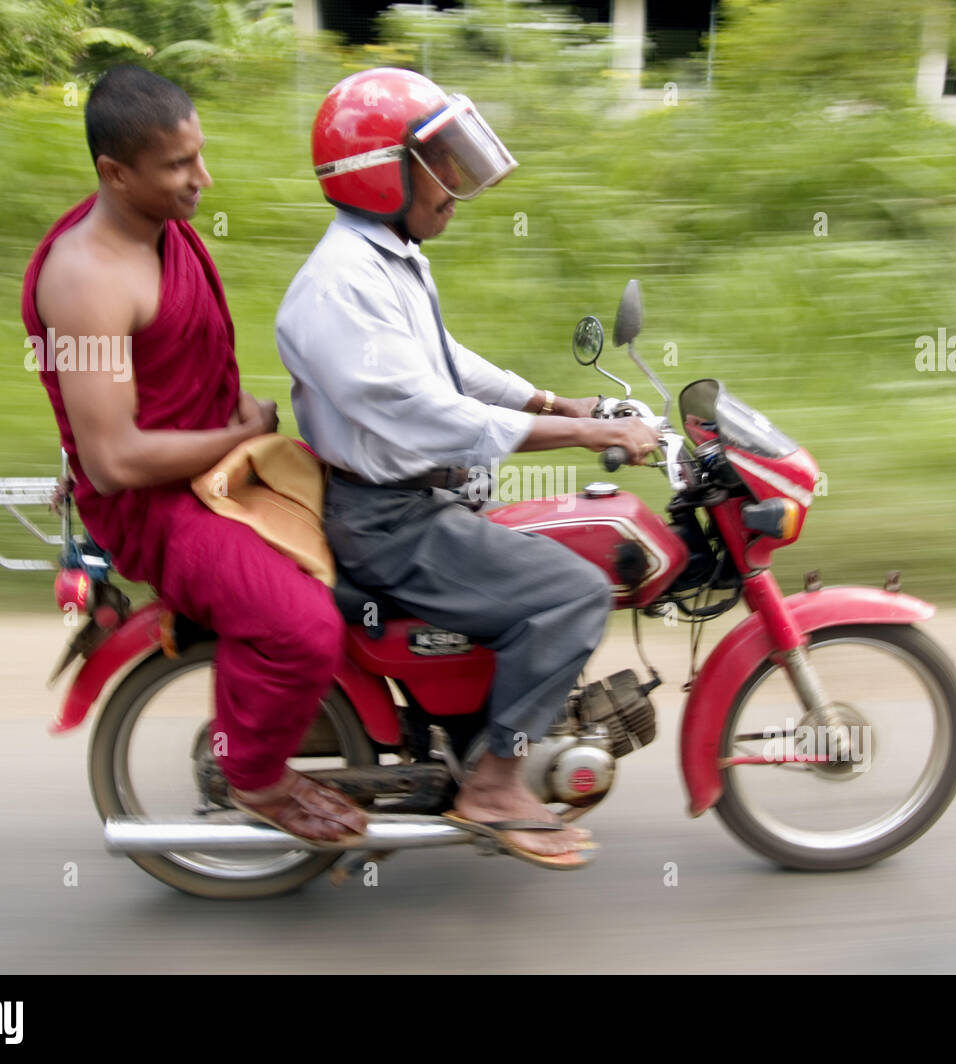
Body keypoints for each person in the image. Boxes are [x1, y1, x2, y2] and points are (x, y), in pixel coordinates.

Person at [276, 68, 658, 869]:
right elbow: (432, 412)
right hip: (392, 521)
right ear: (380, 173)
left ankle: (483, 734)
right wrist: (578, 439)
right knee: (572, 591)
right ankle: (492, 784)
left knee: (563, 546)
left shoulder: (388, 257)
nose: (454, 183)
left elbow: (450, 365)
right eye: (438, 163)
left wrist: (561, 403)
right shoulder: (338, 288)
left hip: (415, 504)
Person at [22, 65, 366, 844]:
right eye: (179, 166)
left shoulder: (157, 230)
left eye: (198, 156)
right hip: (159, 505)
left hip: (215, 468)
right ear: (115, 172)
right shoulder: (86, 281)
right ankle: (256, 778)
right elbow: (114, 462)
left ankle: (310, 720)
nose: (201, 180)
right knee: (302, 627)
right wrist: (242, 435)